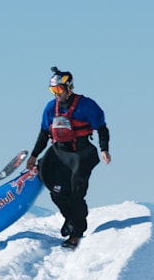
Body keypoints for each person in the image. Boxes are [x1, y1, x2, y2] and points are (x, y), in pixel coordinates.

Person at [26, 67, 111, 249]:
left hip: (81, 154)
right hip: (59, 153)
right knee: (56, 191)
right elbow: (44, 132)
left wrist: (104, 149)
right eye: (53, 91)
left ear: (69, 87)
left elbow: (102, 128)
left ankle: (76, 234)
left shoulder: (86, 105)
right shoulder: (51, 108)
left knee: (76, 193)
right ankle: (70, 218)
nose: (56, 94)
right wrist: (34, 155)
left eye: (59, 90)